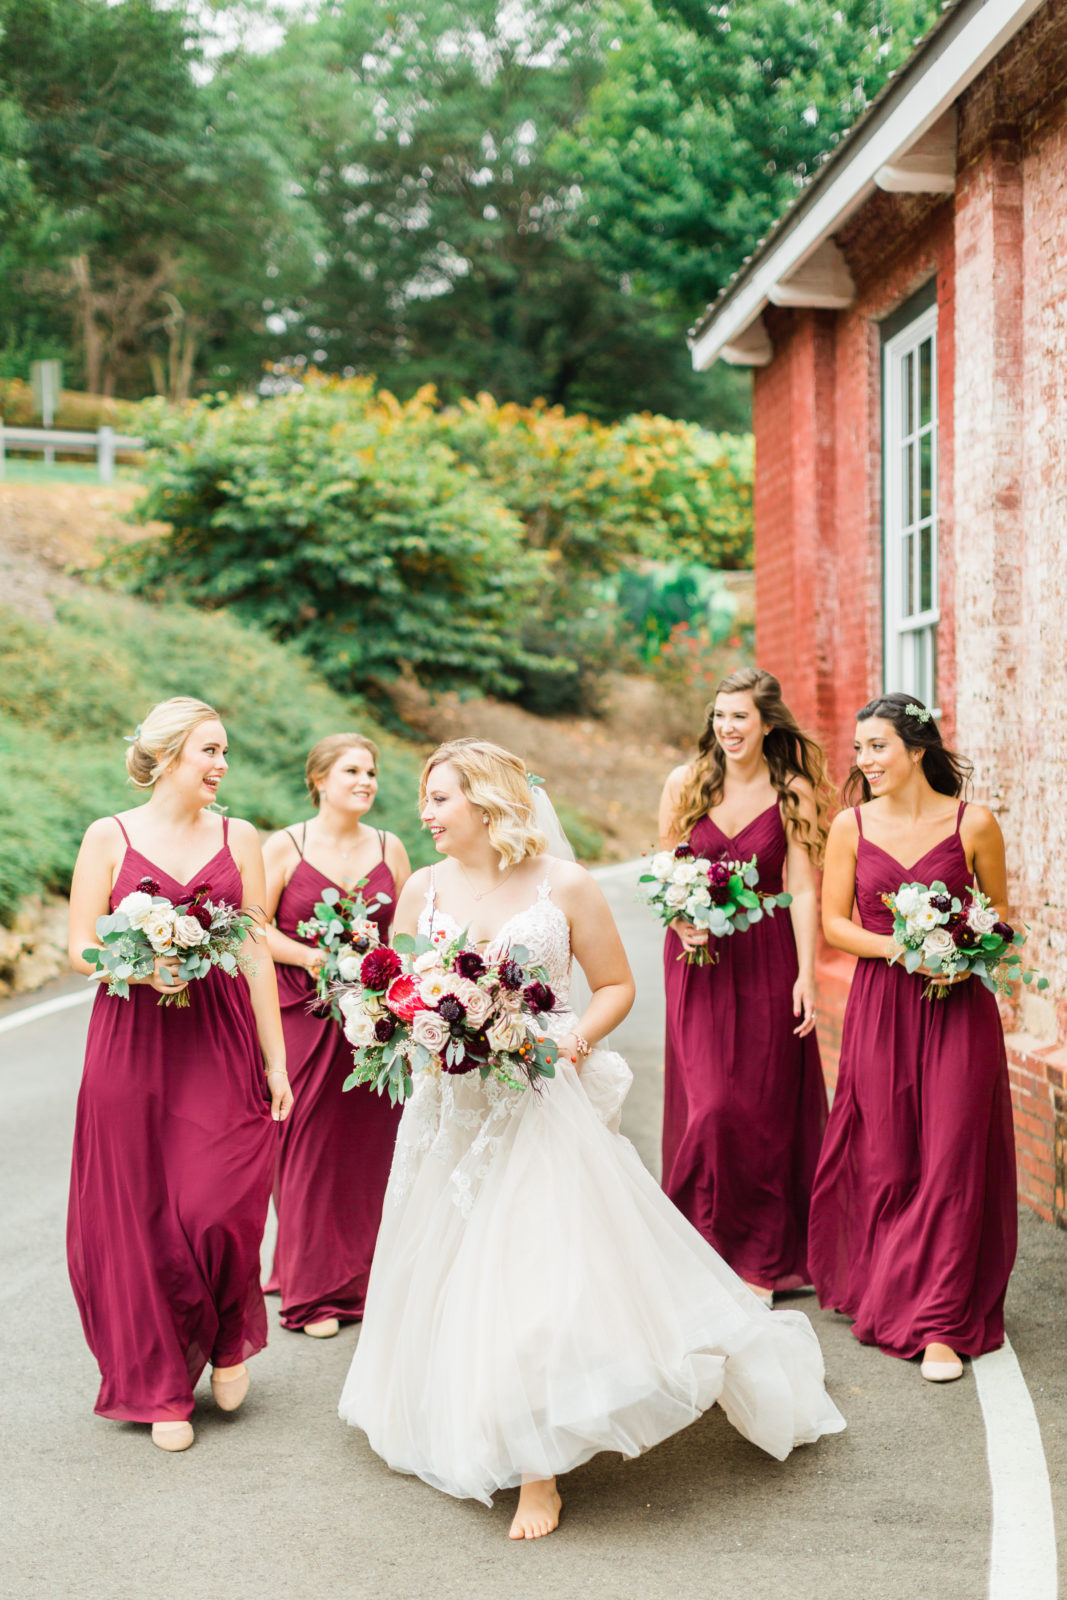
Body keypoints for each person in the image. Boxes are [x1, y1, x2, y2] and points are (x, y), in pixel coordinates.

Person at [339, 738, 845, 1540]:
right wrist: (405, 1028)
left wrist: (562, 1046)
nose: (424, 814)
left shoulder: (562, 883)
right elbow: (404, 988)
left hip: (540, 1097)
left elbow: (615, 985)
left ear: (486, 803)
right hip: (452, 1107)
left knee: (530, 1273)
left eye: (439, 798)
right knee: (449, 1262)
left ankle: (539, 1470)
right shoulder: (423, 888)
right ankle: (463, 1410)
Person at [67, 697, 292, 1453]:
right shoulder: (109, 836)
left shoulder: (241, 836)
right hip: (131, 1039)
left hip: (220, 1037)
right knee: (138, 1217)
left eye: (224, 752)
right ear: (167, 757)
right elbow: (78, 946)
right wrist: (133, 963)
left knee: (220, 1202)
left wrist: (276, 1057)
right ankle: (159, 1385)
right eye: (210, 751)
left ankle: (228, 1332)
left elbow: (256, 948)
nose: (222, 765)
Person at [808, 694, 1016, 1381]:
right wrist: (903, 950)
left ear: (915, 750)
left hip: (958, 1011)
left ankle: (941, 1324)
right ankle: (892, 1287)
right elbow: (834, 925)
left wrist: (966, 947)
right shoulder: (849, 826)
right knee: (889, 1156)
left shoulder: (973, 824)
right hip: (882, 1006)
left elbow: (1000, 923)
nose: (864, 761)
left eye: (877, 748)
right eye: (859, 749)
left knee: (954, 1156)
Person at [657, 668, 830, 1303]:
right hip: (697, 959)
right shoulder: (686, 784)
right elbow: (664, 872)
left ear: (766, 724)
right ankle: (702, 1247)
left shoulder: (793, 791)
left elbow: (805, 886)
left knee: (760, 1108)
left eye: (740, 717)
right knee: (711, 1104)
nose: (727, 729)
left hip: (767, 952)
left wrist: (808, 973)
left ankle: (759, 1257)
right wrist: (681, 919)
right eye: (720, 716)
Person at [261, 734, 410, 1337]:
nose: (366, 781)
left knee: (368, 1149)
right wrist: (314, 958)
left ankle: (361, 1277)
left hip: (371, 1017)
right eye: (352, 770)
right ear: (319, 779)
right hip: (301, 1010)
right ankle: (313, 1292)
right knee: (306, 1146)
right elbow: (254, 926)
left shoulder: (389, 846)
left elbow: (403, 931)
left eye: (371, 772)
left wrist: (385, 969)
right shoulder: (286, 845)